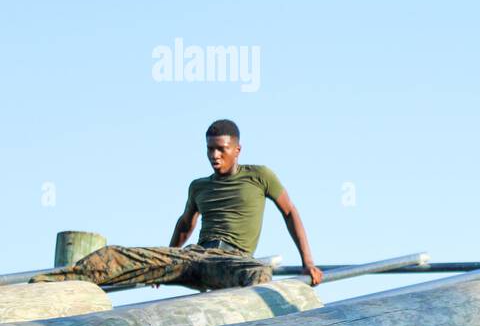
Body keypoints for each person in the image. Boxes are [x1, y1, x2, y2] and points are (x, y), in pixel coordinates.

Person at [30, 119, 324, 291]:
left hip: (231, 260)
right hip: (194, 256)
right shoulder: (199, 186)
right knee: (111, 255)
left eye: (221, 149)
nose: (214, 155)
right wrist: (167, 259)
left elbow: (290, 212)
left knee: (259, 275)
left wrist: (307, 261)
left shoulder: (260, 175)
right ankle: (45, 286)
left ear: (237, 150)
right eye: (210, 149)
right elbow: (185, 224)